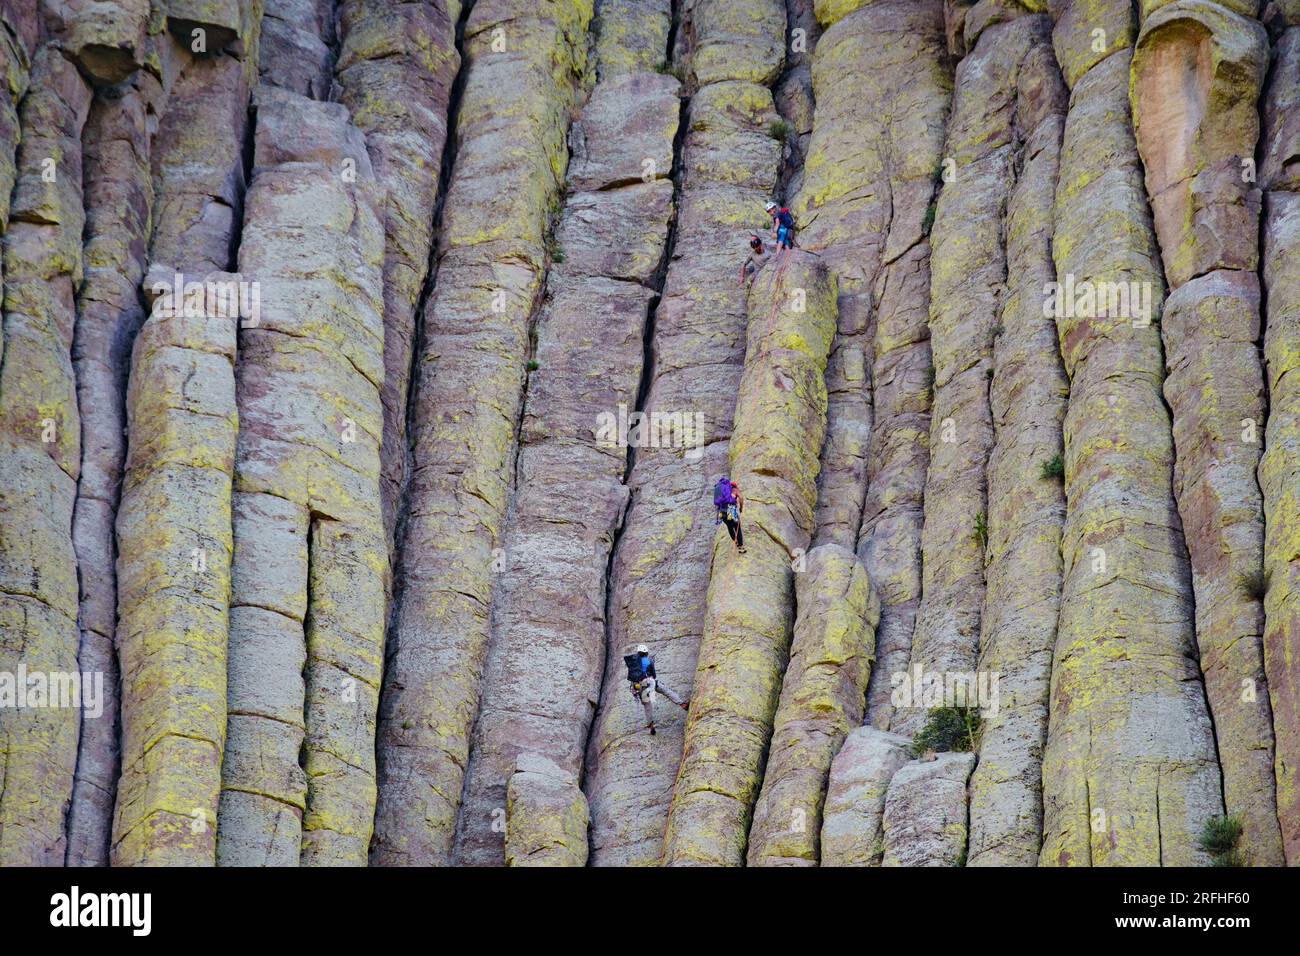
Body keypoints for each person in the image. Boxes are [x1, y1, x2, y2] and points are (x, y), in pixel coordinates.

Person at [624, 644, 687, 735]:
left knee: (647, 704)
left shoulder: (633, 663)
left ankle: (650, 725)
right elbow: (654, 675)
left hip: (639, 685)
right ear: (646, 653)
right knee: (665, 690)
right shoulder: (648, 661)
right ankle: (682, 704)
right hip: (650, 682)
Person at [713, 475, 746, 554]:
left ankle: (736, 541)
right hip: (731, 510)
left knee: (729, 526)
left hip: (722, 512)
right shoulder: (735, 490)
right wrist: (741, 508)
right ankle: (740, 546)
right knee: (737, 526)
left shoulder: (722, 492)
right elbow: (741, 498)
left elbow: (717, 503)